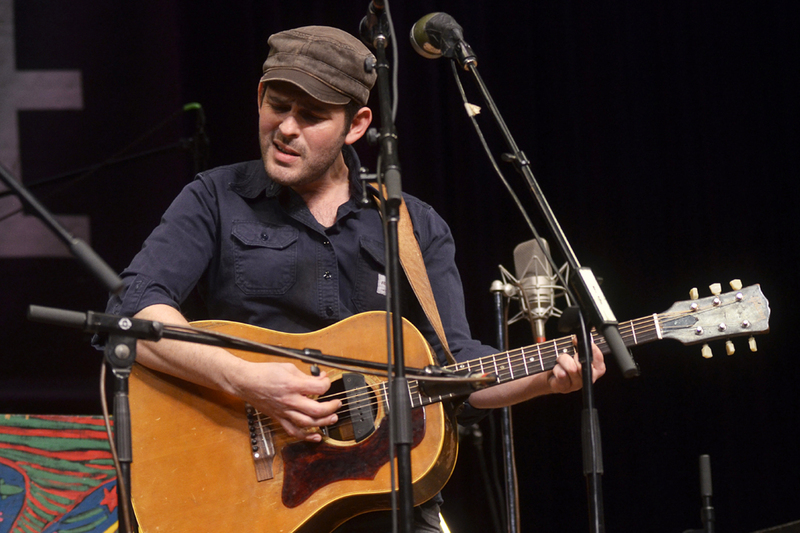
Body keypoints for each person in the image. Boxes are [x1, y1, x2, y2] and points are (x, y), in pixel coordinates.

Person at [105, 25, 605, 532]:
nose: (286, 128)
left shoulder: (414, 226)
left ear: (358, 124)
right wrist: (248, 380)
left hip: (376, 497)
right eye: (277, 105)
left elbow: (452, 370)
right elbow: (131, 315)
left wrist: (541, 378)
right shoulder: (215, 197)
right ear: (260, 96)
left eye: (313, 116)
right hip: (245, 495)